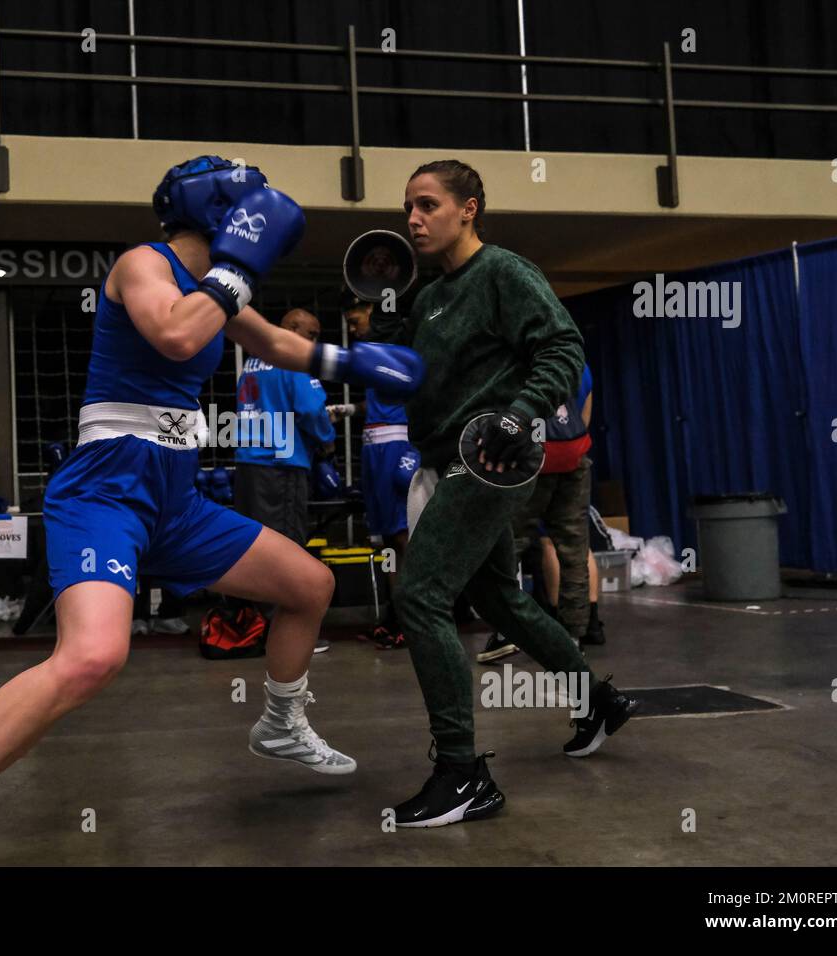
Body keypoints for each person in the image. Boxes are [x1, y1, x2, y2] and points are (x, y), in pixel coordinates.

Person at [0, 155, 423, 865]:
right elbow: (176, 335)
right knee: (92, 657)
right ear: (223, 211)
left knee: (311, 586)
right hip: (106, 492)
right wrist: (235, 275)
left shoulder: (213, 290)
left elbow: (274, 342)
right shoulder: (144, 264)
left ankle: (281, 722)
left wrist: (350, 364)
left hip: (176, 499)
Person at [373, 159, 639, 828]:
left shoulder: (504, 273)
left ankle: (463, 774)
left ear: (469, 209)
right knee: (497, 596)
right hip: (440, 458)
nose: (412, 218)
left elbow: (562, 346)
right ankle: (596, 699)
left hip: (487, 457)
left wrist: (518, 413)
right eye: (408, 206)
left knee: (420, 594)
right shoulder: (430, 296)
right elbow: (413, 377)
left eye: (427, 204)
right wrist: (376, 333)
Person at [478, 362, 602, 662]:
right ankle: (573, 638)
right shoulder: (580, 364)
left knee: (511, 546)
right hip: (573, 457)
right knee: (574, 550)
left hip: (533, 459)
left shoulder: (521, 359)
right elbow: (585, 415)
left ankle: (506, 632)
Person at [232, 307, 338, 653]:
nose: (313, 342)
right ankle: (285, 634)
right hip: (282, 464)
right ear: (290, 327)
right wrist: (326, 439)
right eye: (310, 335)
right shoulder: (292, 360)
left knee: (254, 546)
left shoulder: (253, 360)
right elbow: (310, 410)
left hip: (249, 463)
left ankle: (254, 624)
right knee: (287, 547)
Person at [329, 289, 417, 649]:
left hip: (397, 445)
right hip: (372, 446)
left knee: (401, 536)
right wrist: (347, 412)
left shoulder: (402, 347)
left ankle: (411, 618)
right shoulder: (373, 358)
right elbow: (379, 401)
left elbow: (417, 397)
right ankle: (392, 617)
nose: (353, 329)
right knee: (382, 538)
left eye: (356, 321)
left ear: (372, 312)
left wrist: (415, 450)